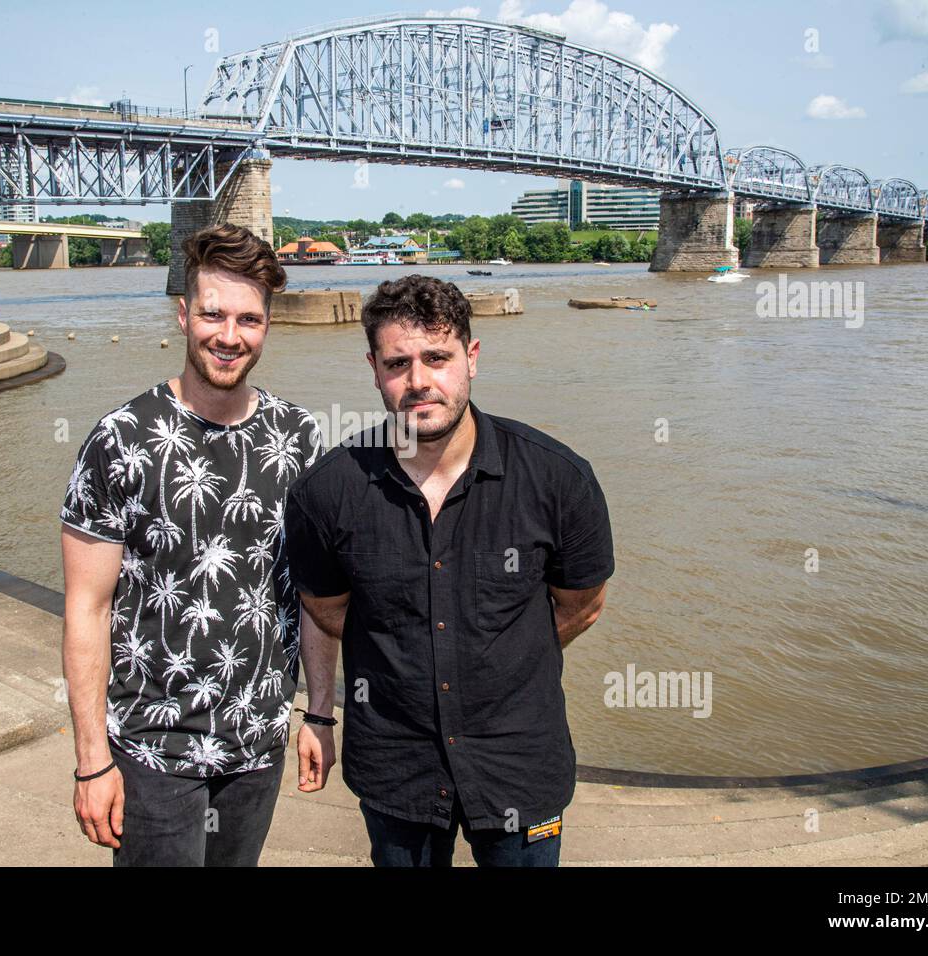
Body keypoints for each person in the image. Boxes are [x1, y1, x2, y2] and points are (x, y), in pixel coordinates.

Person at [285, 274, 615, 868]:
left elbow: (581, 605)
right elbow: (327, 610)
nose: (419, 381)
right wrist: (323, 708)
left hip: (518, 762)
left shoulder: (558, 480)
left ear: (473, 357)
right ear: (373, 368)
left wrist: (497, 656)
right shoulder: (326, 492)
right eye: (398, 363)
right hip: (397, 765)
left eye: (438, 357)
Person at [59, 222, 323, 867]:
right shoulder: (120, 438)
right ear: (182, 315)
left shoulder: (302, 437)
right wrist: (93, 762)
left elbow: (314, 595)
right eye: (212, 314)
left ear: (267, 326)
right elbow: (86, 608)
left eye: (248, 320)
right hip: (152, 750)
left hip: (259, 744)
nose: (229, 337)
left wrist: (320, 711)